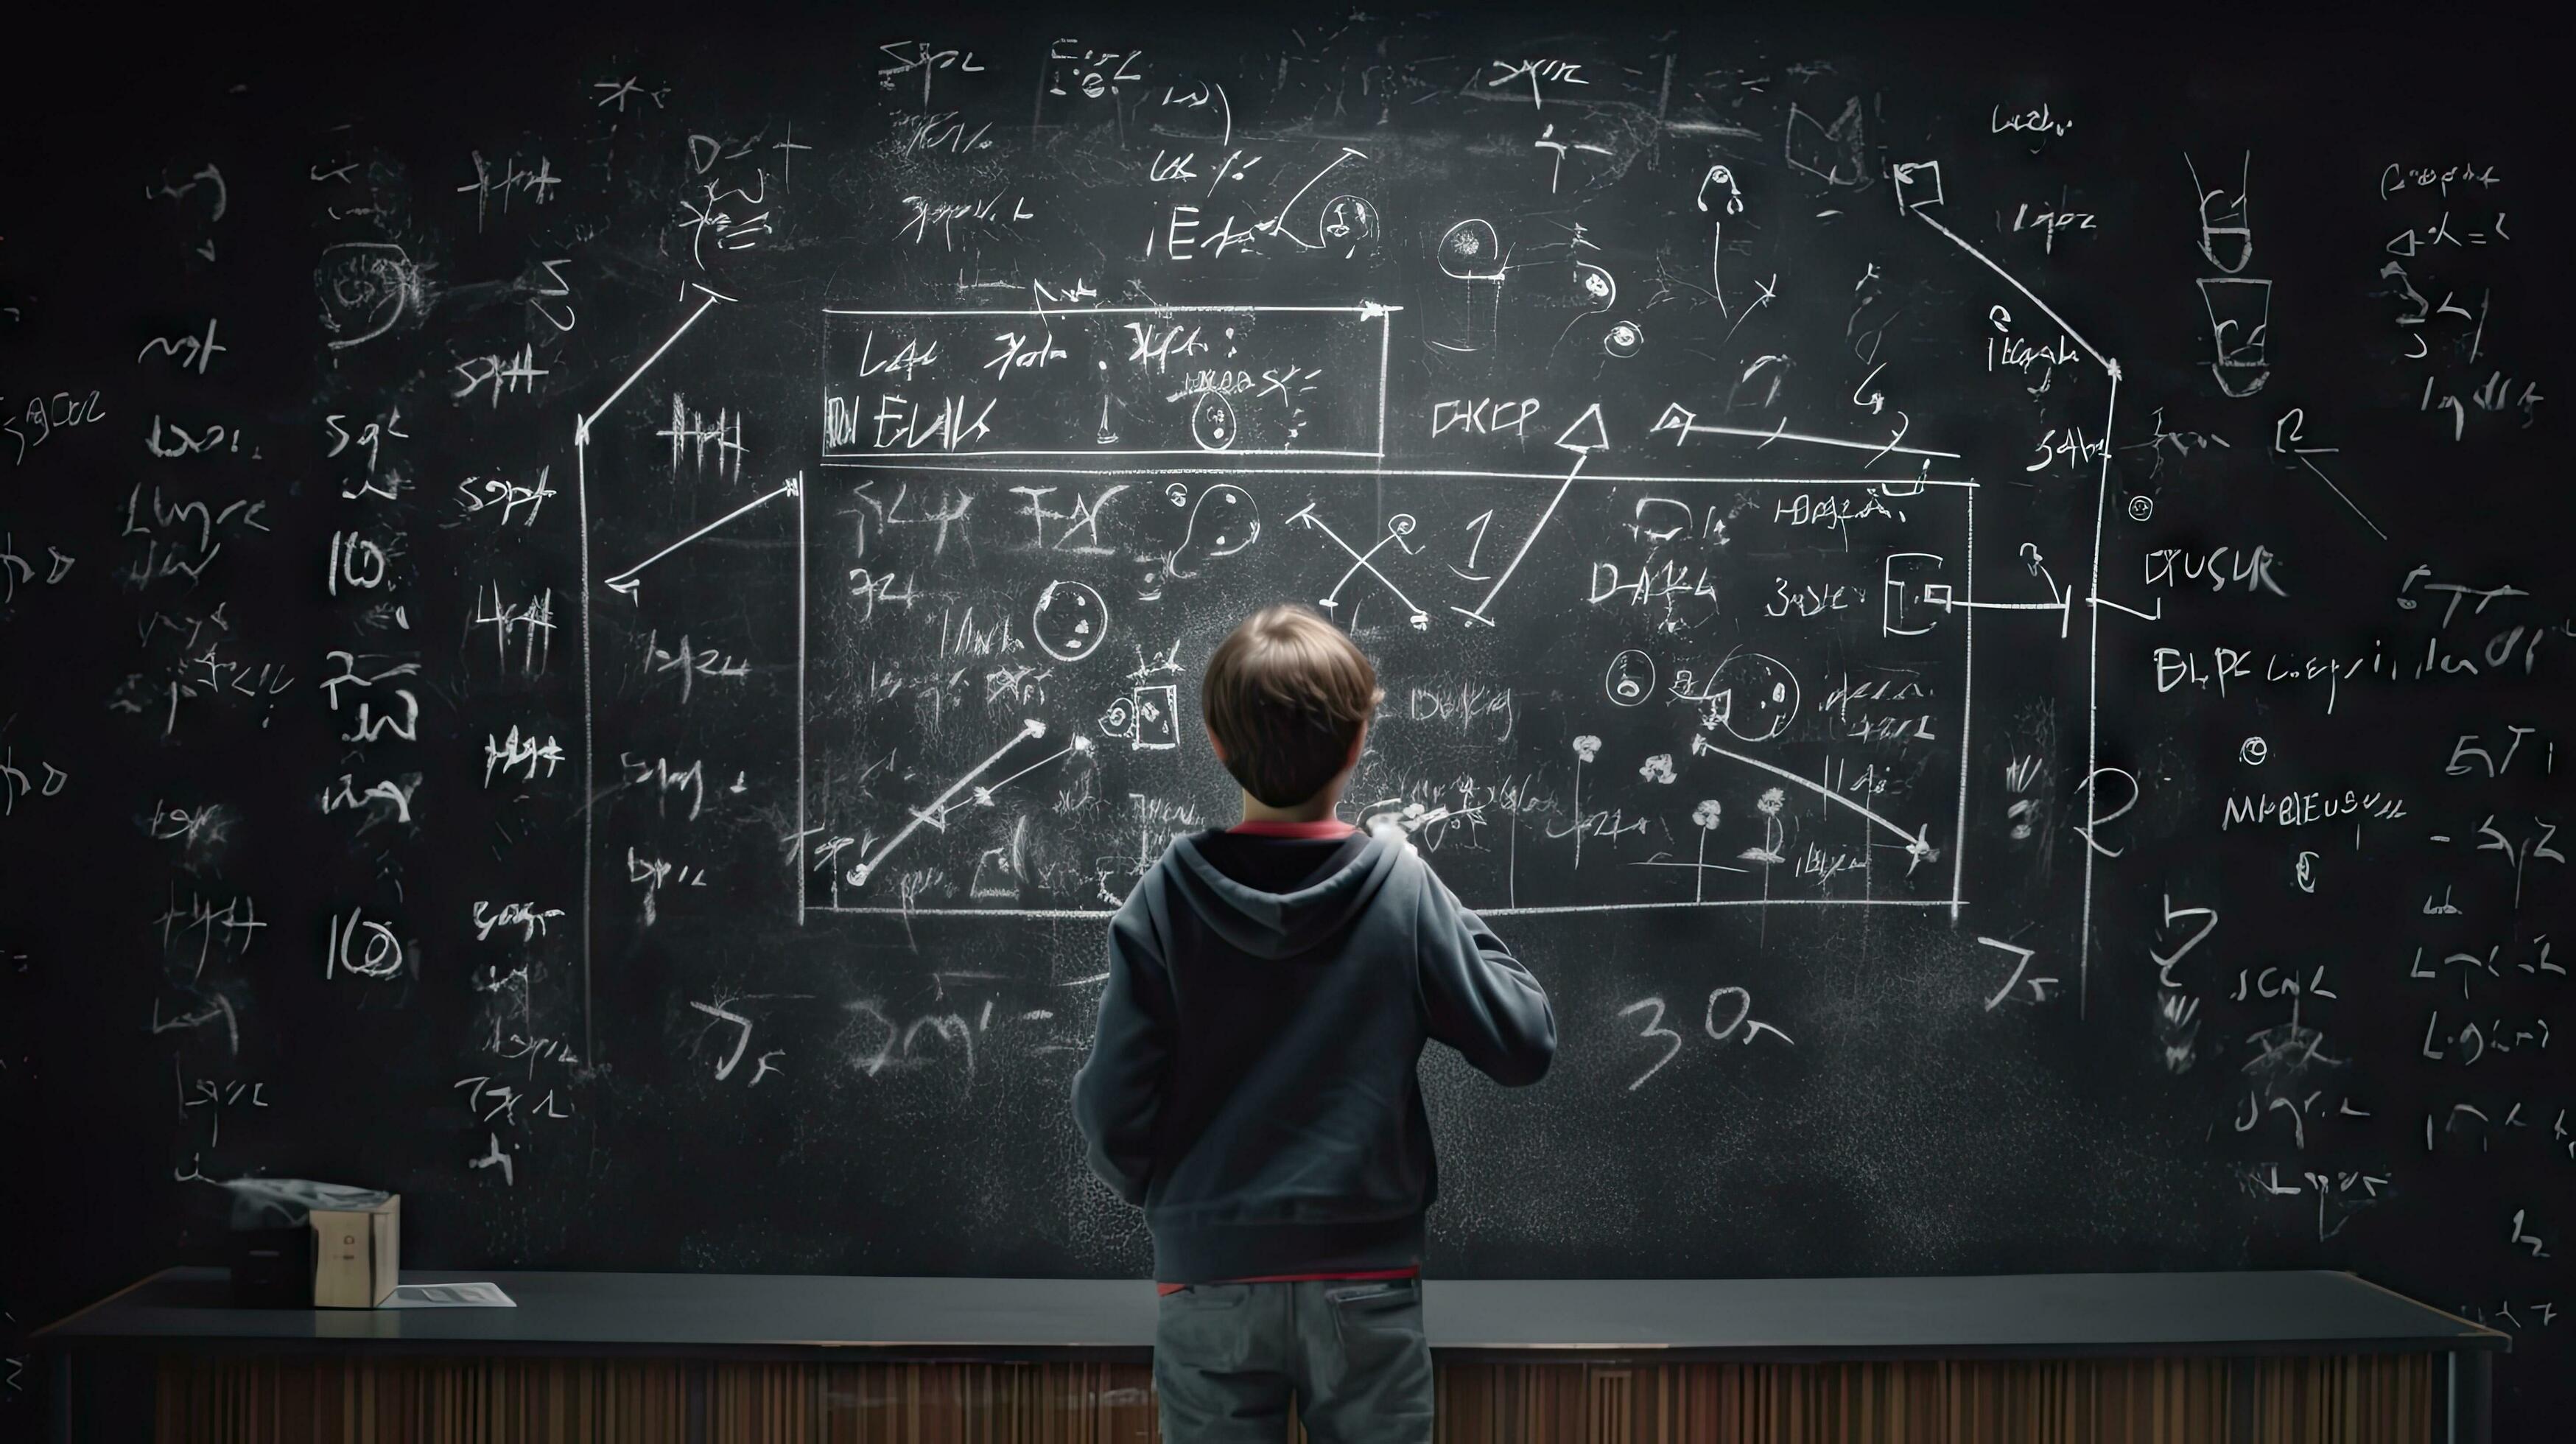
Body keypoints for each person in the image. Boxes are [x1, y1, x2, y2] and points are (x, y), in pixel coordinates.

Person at [1073, 604, 1557, 1443]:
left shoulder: (1164, 898)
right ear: (1358, 742)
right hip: (1365, 1280)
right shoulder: (1399, 892)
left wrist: (1181, 1205)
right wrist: (1416, 877)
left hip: (1208, 1279)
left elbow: (1113, 1107)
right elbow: (1522, 1041)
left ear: (1215, 742)